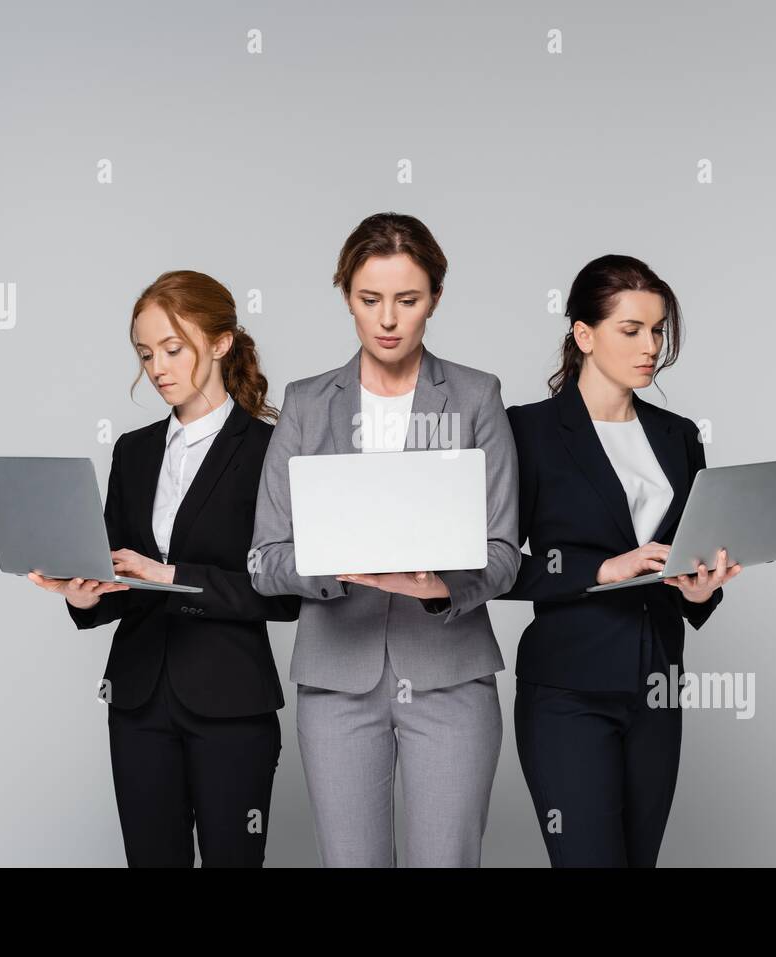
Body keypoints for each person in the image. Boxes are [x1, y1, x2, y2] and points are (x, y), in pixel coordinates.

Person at [248, 212, 520, 867]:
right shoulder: (307, 403)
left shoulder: (478, 396)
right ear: (347, 296)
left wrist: (443, 584)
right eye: (370, 300)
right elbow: (263, 560)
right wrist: (335, 566)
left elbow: (505, 553)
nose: (389, 319)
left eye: (408, 299)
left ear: (435, 299)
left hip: (450, 674)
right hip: (337, 679)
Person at [28, 270, 299, 867]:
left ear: (221, 342)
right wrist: (84, 594)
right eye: (146, 353)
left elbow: (283, 595)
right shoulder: (134, 449)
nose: (157, 367)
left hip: (232, 701)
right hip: (138, 700)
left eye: (172, 349)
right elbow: (122, 579)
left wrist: (170, 575)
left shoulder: (269, 451)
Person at [501, 254, 742, 867]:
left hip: (658, 687)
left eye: (657, 330)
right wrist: (600, 569)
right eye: (630, 330)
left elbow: (689, 553)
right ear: (584, 334)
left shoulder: (678, 435)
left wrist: (700, 590)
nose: (650, 347)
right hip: (568, 690)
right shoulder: (525, 433)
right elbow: (488, 565)